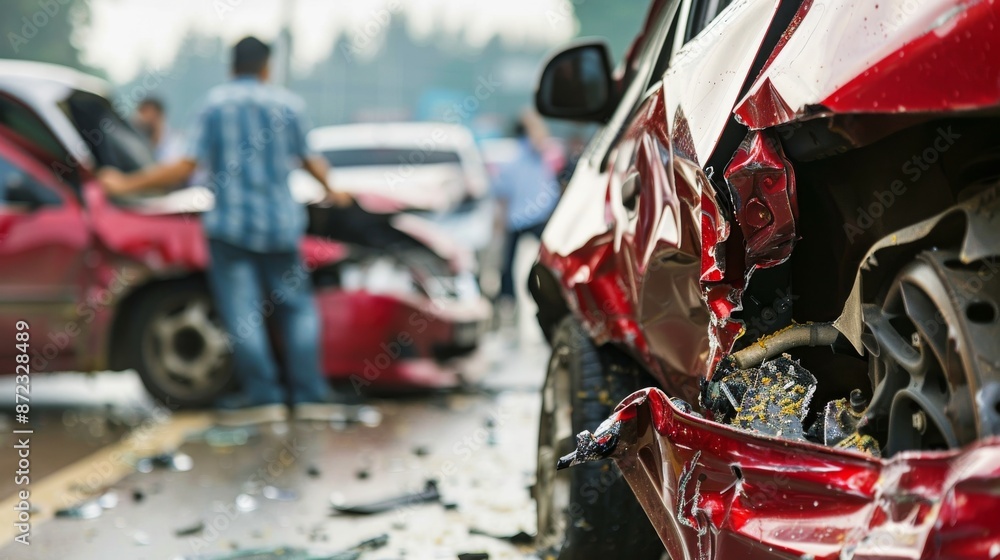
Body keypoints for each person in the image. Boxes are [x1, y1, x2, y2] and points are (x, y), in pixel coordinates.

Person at [99, 36, 352, 426]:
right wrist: (333, 190)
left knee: (242, 314)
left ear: (232, 66)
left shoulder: (214, 106)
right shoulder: (288, 105)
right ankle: (309, 394)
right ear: (266, 67)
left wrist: (123, 185)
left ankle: (263, 396)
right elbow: (310, 161)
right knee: (298, 310)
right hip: (281, 227)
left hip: (231, 230)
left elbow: (185, 167)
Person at [493, 111, 560, 308]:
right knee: (550, 257)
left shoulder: (516, 156)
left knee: (510, 262)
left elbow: (503, 197)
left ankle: (508, 298)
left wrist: (500, 222)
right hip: (535, 216)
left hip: (519, 217)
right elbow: (540, 136)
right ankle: (555, 291)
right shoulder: (530, 152)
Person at [133, 97, 186, 163]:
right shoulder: (147, 147)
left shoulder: (178, 142)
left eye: (144, 112)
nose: (139, 118)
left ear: (158, 114)